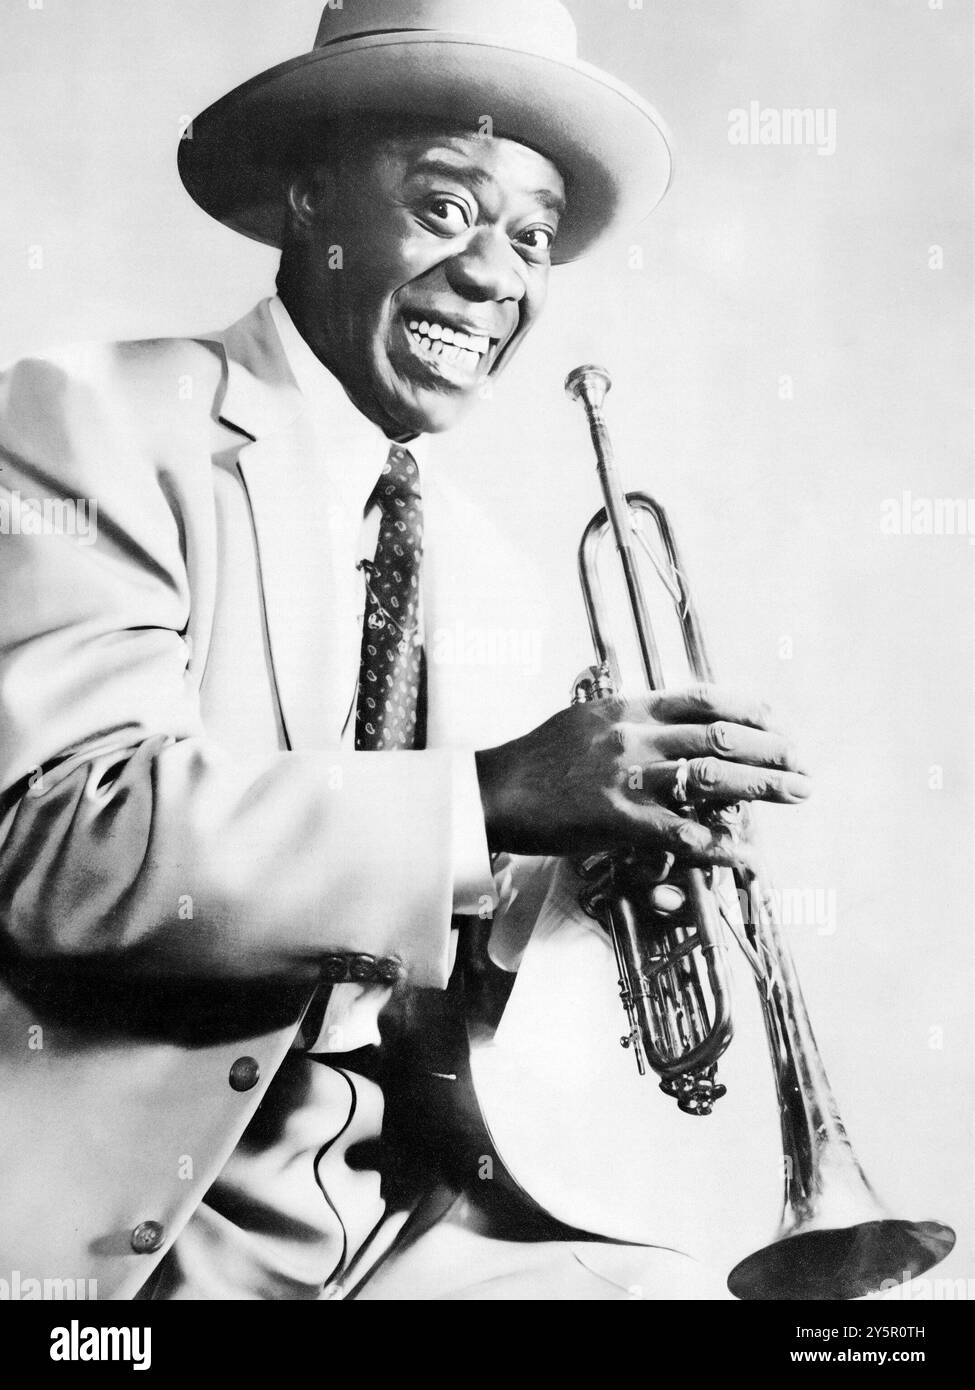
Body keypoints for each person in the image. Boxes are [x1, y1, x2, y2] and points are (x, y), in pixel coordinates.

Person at [0, 0, 809, 1301]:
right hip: (124, 1250)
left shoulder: (488, 566)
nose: (500, 277)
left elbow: (442, 1000)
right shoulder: (97, 419)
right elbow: (57, 843)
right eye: (446, 206)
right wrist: (488, 795)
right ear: (312, 192)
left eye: (534, 238)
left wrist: (598, 881)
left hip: (399, 1229)